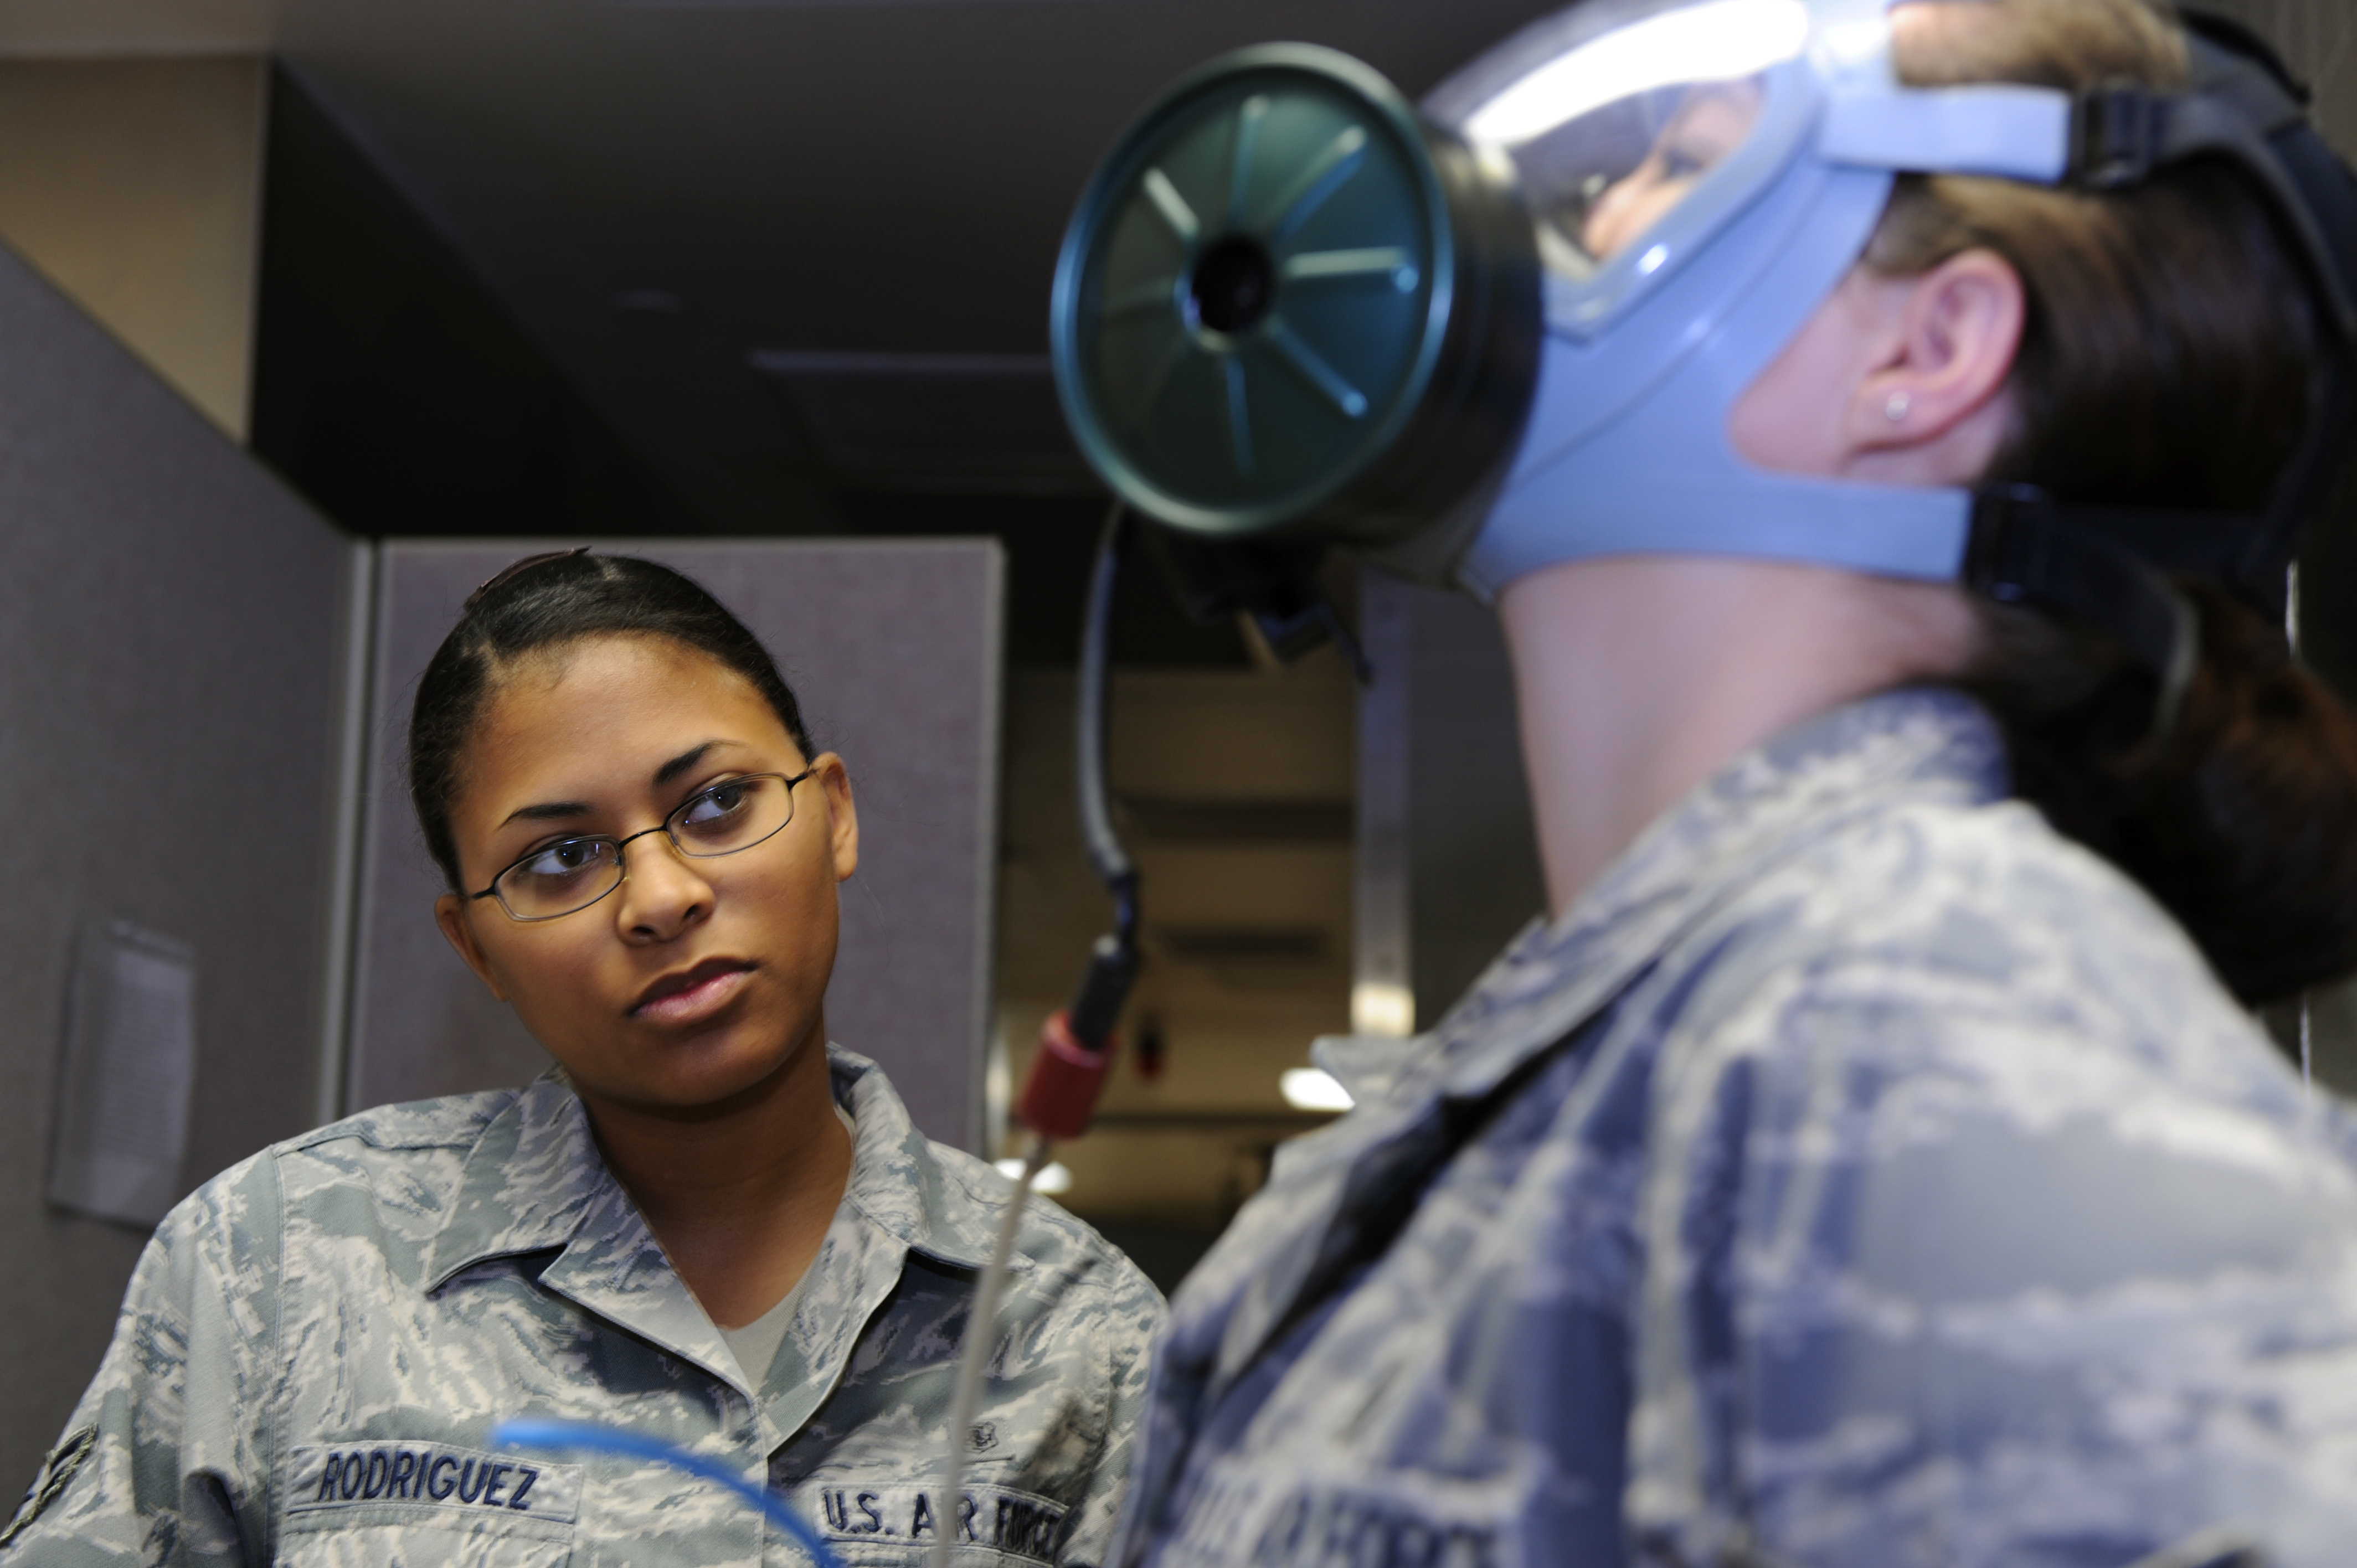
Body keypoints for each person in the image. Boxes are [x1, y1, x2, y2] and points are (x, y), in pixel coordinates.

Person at [1110, 2, 2357, 1565]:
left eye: (1681, 169)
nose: (1581, 221)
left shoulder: (1908, 992)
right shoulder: (1598, 1059)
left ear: (1926, 354)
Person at [7, 553, 1164, 1566]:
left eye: (717, 803)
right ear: (476, 949)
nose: (661, 897)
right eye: (560, 860)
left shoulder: (1079, 1335)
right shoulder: (277, 1265)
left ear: (835, 814)